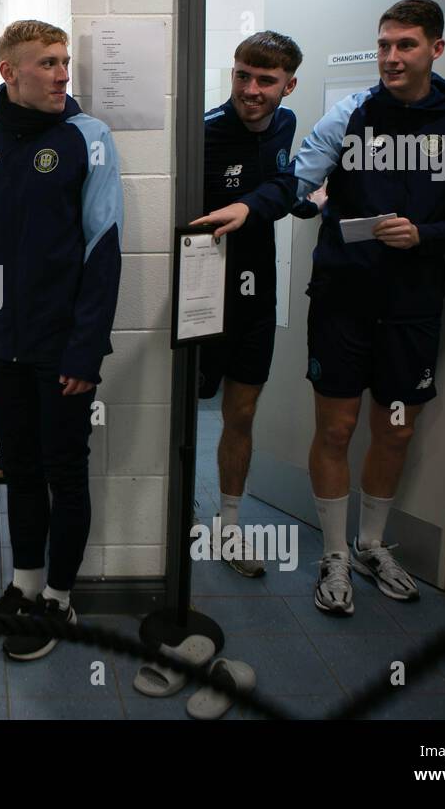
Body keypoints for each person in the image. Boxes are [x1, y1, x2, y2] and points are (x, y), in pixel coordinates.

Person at [201, 0, 445, 615]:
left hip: (413, 304)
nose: (391, 56)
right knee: (335, 428)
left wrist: (425, 236)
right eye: (385, 44)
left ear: (434, 50)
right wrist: (255, 207)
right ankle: (333, 555)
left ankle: (371, 544)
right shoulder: (349, 112)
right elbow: (297, 180)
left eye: (406, 45)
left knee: (397, 429)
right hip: (342, 297)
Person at [0, 19, 124, 660]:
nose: (62, 74)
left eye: (64, 62)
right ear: (9, 72)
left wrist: (85, 350)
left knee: (63, 471)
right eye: (48, 63)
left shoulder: (89, 138)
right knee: (19, 469)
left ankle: (58, 597)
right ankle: (23, 587)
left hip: (62, 349)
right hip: (0, 343)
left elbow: (103, 250)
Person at [189, 31, 302, 577]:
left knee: (242, 413)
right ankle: (167, 516)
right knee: (180, 411)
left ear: (288, 84)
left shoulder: (285, 124)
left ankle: (228, 526)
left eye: (265, 80)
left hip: (256, 296)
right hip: (201, 293)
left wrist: (283, 201)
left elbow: (285, 181)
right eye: (242, 76)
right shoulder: (204, 133)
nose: (251, 90)